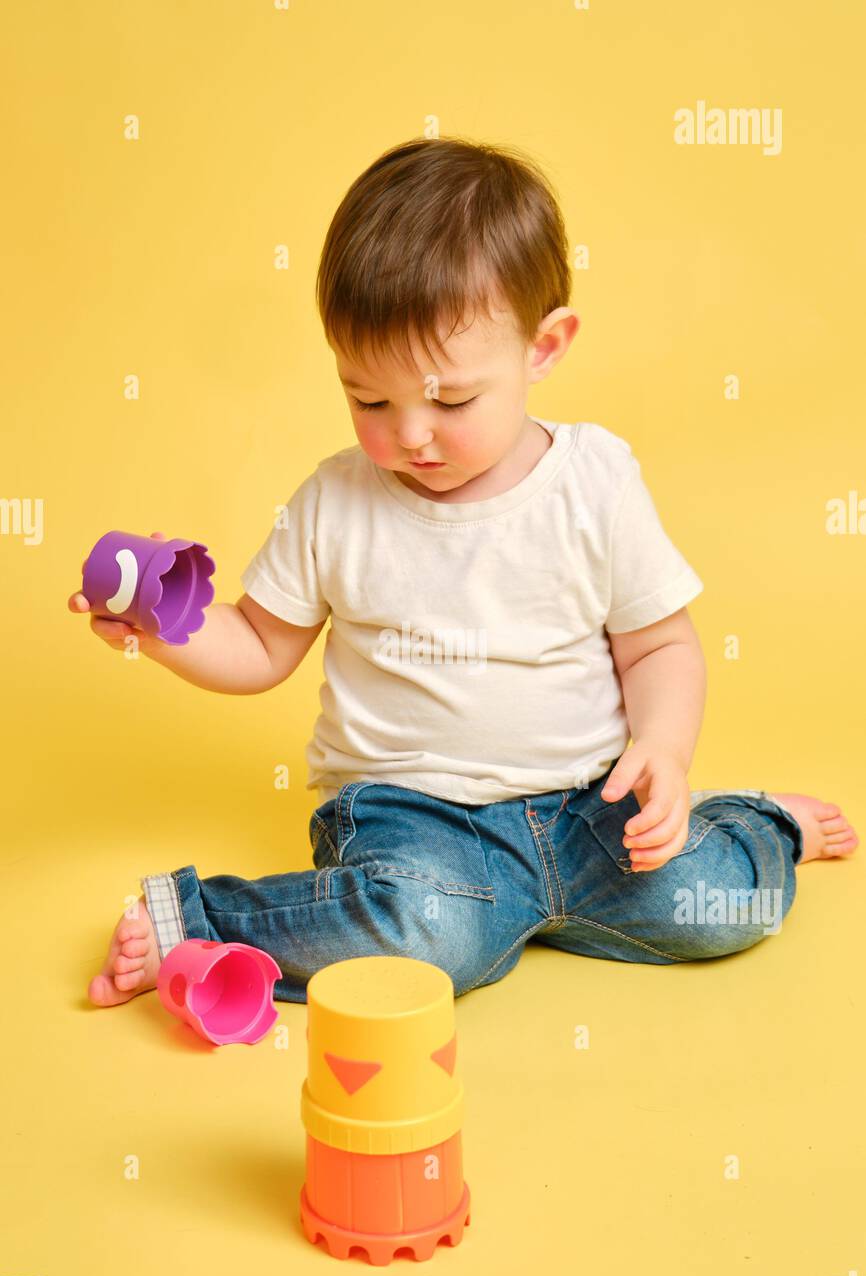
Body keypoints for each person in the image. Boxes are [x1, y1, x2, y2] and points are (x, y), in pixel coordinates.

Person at [70, 136, 858, 1007]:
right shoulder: (337, 500)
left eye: (450, 400)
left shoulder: (594, 480)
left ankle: (758, 821)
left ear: (544, 347)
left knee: (717, 906)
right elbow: (258, 646)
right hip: (412, 822)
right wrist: (162, 623)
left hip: (586, 806)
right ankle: (197, 919)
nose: (410, 434)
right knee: (433, 937)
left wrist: (664, 751)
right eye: (369, 398)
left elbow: (659, 648)